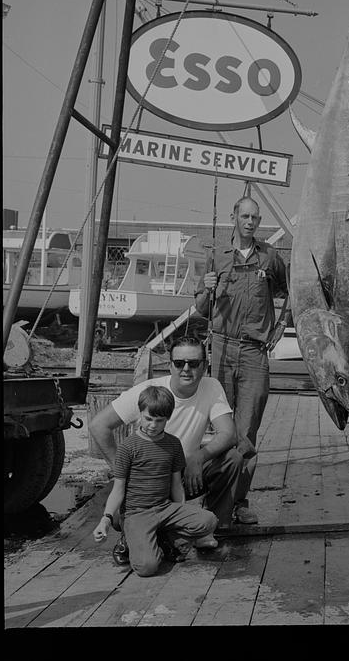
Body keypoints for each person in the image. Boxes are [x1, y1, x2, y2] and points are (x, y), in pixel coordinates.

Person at [90, 335, 249, 564]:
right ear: (170, 365)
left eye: (194, 363)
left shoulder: (212, 386)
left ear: (204, 365)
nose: (186, 369)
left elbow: (228, 434)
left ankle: (208, 531)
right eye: (179, 363)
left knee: (232, 458)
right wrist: (123, 473)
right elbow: (98, 425)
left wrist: (198, 457)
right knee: (122, 521)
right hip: (147, 482)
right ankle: (134, 536)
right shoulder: (149, 391)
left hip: (184, 474)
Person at [195, 196, 289, 525]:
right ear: (234, 217)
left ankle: (240, 502)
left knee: (247, 430)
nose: (249, 221)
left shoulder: (270, 257)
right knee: (221, 427)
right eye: (244, 216)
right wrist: (206, 290)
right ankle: (213, 496)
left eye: (255, 217)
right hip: (221, 346)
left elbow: (293, 292)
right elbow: (201, 309)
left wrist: (279, 329)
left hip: (254, 352)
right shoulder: (216, 256)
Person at [93, 385, 219, 577]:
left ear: (167, 419)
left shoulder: (173, 444)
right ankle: (131, 539)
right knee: (147, 568)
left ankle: (165, 538)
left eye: (159, 420)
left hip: (164, 508)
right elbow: (118, 489)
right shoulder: (128, 447)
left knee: (208, 520)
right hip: (137, 513)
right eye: (148, 419)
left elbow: (176, 484)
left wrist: (180, 513)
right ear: (140, 414)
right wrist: (106, 519)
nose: (152, 425)